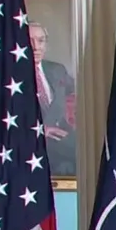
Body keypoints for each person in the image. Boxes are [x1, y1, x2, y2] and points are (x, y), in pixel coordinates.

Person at [31, 20, 77, 177]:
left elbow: (79, 96)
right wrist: (41, 130)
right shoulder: (10, 78)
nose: (36, 47)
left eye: (41, 41)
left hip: (64, 136)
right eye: (30, 41)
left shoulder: (57, 70)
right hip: (34, 141)